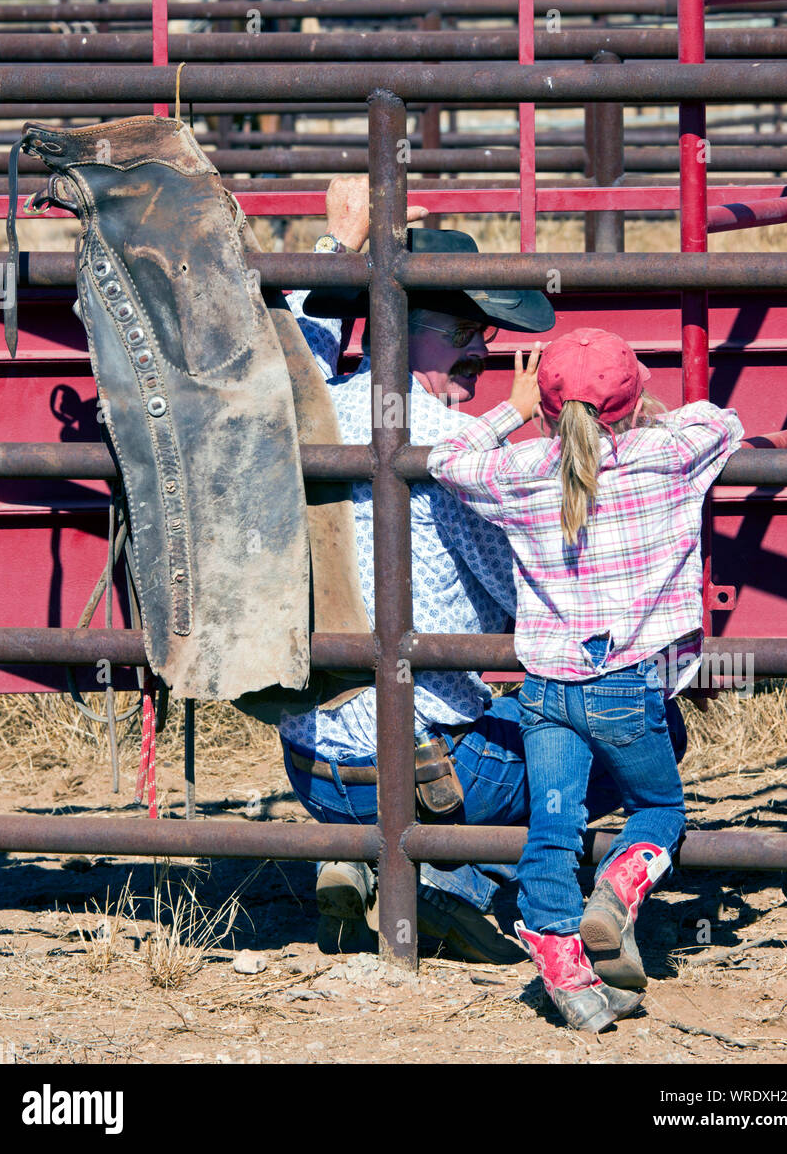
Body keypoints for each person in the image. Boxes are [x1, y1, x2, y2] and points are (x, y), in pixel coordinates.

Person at [427, 329, 743, 1029]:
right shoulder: (668, 455)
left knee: (552, 829)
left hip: (543, 690)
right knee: (660, 811)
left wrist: (510, 412)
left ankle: (564, 966)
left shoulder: (521, 471)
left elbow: (447, 457)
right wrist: (648, 414)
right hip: (625, 685)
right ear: (632, 401)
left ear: (545, 405)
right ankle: (615, 898)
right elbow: (723, 421)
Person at [277, 176, 556, 962]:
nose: (485, 349)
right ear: (417, 329)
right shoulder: (460, 450)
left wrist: (342, 245)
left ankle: (365, 857)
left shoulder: (320, 409)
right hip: (426, 768)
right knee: (628, 733)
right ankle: (446, 888)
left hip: (314, 763)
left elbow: (295, 351)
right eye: (467, 330)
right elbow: (523, 598)